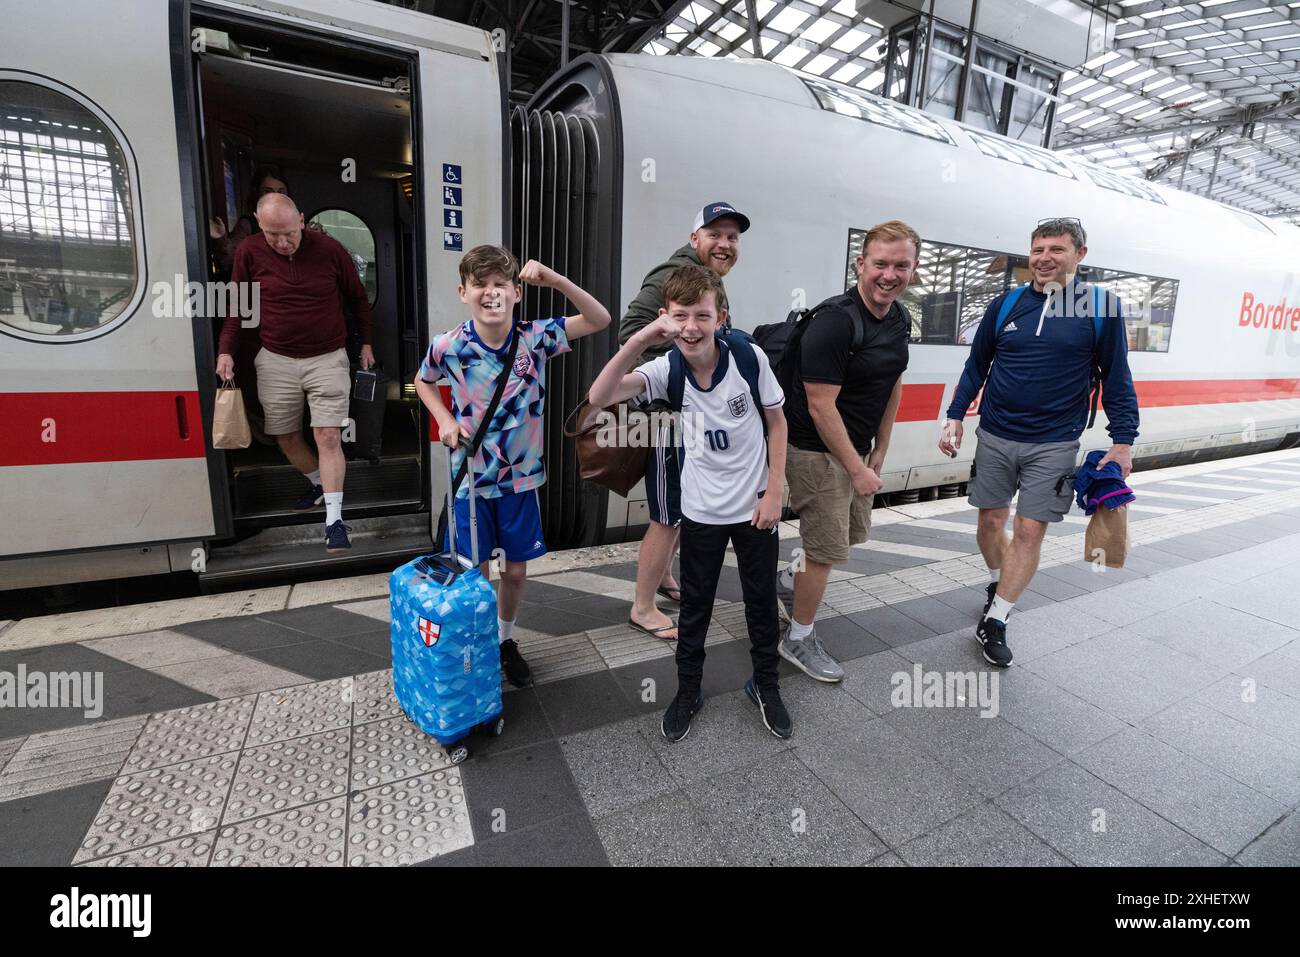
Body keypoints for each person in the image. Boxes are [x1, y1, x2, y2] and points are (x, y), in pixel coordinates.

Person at [589, 265, 790, 743]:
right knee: (695, 607)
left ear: (720, 316)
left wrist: (775, 488)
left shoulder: (747, 357)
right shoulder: (666, 369)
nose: (692, 327)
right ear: (665, 318)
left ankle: (766, 685)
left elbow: (777, 423)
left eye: (703, 315)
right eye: (680, 316)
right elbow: (600, 397)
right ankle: (688, 691)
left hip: (754, 509)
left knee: (760, 603)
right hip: (699, 511)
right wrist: (641, 340)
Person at [940, 217, 1139, 667]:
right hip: (994, 434)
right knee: (990, 523)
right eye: (1037, 249)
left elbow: (1117, 377)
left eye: (1056, 249)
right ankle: (998, 582)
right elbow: (977, 366)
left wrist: (1123, 440)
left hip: (1054, 442)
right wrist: (955, 415)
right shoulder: (1006, 304)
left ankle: (998, 618)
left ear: (1079, 255)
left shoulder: (1100, 308)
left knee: (1030, 530)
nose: (1044, 258)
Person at [414, 245, 611, 687]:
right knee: (476, 572)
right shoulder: (448, 345)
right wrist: (444, 419)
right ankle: (481, 646)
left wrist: (556, 280)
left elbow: (600, 320)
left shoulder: (535, 337)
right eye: (480, 285)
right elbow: (422, 382)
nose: (490, 293)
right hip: (471, 483)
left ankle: (505, 641)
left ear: (516, 292)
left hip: (521, 480)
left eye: (500, 284)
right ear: (463, 291)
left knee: (517, 571)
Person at [777, 220, 917, 682]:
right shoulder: (835, 322)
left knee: (845, 538)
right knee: (824, 549)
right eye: (880, 263)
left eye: (901, 265)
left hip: (857, 449)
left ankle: (786, 583)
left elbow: (893, 380)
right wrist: (857, 469)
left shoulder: (899, 318)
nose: (889, 275)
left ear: (913, 268)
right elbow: (820, 408)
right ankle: (797, 637)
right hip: (817, 451)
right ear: (861, 264)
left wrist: (882, 445)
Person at [617, 201, 749, 641]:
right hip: (674, 420)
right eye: (715, 235)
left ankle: (666, 579)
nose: (725, 244)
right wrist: (677, 381)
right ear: (696, 239)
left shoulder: (705, 279)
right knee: (668, 513)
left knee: (681, 507)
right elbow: (632, 330)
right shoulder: (672, 277)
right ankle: (642, 606)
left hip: (693, 419)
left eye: (732, 237)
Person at [215, 194, 376, 553]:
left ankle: (334, 522)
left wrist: (366, 343)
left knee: (328, 435)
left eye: (289, 232)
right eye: (273, 235)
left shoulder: (330, 250)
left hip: (327, 356)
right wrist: (226, 349)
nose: (283, 242)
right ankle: (318, 482)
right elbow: (238, 306)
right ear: (259, 225)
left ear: (301, 220)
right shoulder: (249, 252)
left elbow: (357, 298)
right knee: (284, 436)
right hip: (275, 358)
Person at [210, 166, 291, 273]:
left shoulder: (293, 222)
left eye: (281, 192)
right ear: (256, 194)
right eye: (268, 191)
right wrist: (220, 237)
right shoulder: (249, 224)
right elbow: (228, 260)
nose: (275, 197)